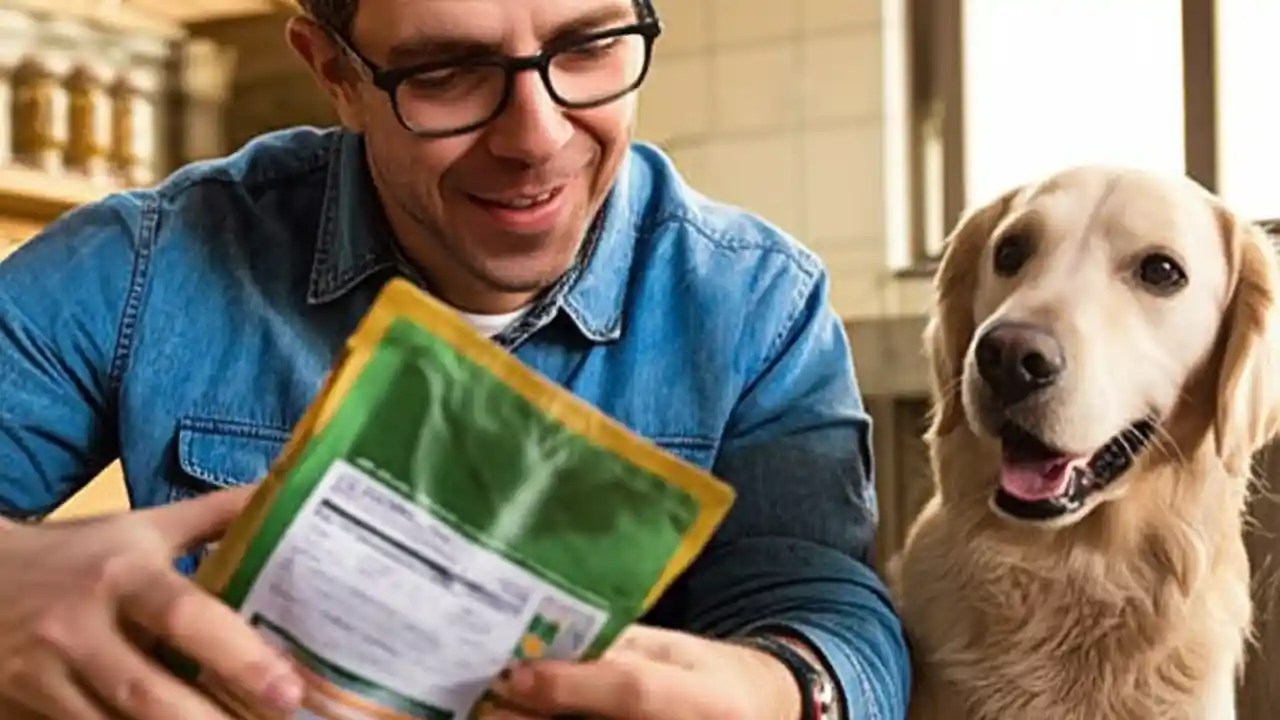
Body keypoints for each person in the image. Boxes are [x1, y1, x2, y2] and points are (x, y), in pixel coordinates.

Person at [0, 0, 910, 718]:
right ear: (334, 75)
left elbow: (833, 626)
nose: (536, 138)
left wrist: (778, 693)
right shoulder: (148, 267)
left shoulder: (756, 304)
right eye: (447, 74)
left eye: (589, 47)